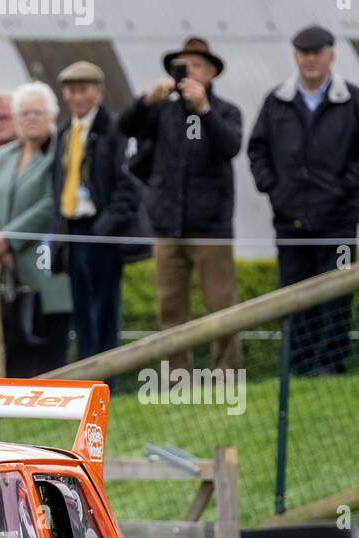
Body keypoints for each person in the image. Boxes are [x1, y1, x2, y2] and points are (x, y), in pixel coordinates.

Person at [248, 25, 359, 375]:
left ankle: (329, 367)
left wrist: (344, 187)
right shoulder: (276, 101)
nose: (310, 60)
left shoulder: (354, 101)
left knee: (337, 294)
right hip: (290, 222)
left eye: (317, 52)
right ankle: (297, 367)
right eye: (304, 53)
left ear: (331, 56)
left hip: (338, 224)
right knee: (294, 295)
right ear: (296, 57)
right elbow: (257, 150)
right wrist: (275, 190)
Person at [120, 36, 243, 374]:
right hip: (167, 226)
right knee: (170, 307)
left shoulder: (225, 111)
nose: (189, 72)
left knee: (221, 305)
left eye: (197, 66)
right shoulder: (161, 112)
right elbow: (125, 127)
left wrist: (203, 109)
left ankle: (227, 376)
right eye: (183, 66)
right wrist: (146, 100)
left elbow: (231, 146)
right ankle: (176, 379)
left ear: (212, 74)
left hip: (211, 228)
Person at [0, 81, 73, 377]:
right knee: (13, 341)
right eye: (24, 113)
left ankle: (54, 404)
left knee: (50, 341)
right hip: (7, 270)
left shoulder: (60, 152)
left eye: (37, 112)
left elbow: (49, 203)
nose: (30, 118)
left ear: (51, 115)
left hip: (47, 264)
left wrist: (9, 239)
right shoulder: (4, 155)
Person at [52, 61, 143, 359]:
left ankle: (107, 380)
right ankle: (87, 376)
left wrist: (104, 228)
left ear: (99, 93)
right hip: (73, 229)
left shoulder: (115, 130)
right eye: (70, 91)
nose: (75, 97)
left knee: (104, 309)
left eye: (82, 90)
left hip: (102, 230)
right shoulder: (65, 132)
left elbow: (129, 186)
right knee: (80, 309)